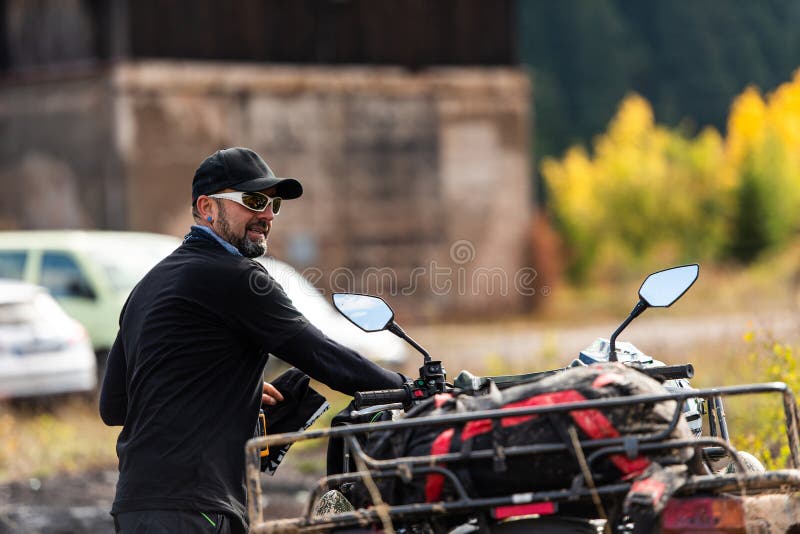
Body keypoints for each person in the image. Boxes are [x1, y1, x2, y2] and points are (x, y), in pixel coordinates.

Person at [99, 147, 404, 534]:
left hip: (135, 505)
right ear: (208, 207)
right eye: (254, 200)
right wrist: (410, 390)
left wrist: (218, 382)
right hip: (197, 509)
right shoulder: (239, 277)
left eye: (274, 204)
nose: (267, 215)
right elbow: (319, 354)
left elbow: (115, 406)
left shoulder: (148, 285)